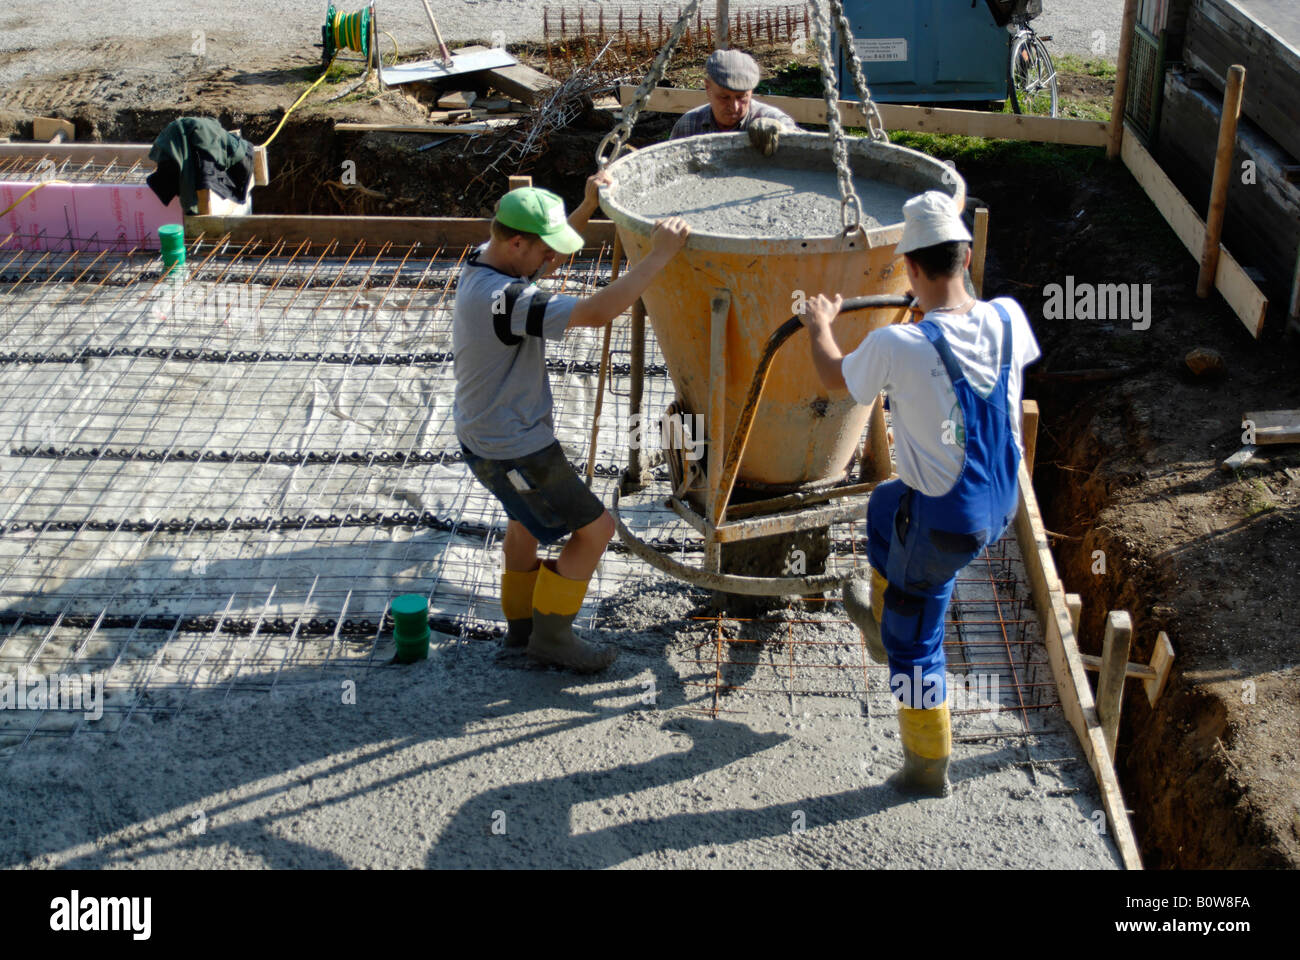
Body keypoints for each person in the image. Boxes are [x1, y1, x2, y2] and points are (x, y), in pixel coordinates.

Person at [797, 191, 1041, 796]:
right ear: (965, 255)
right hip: (999, 503)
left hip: (946, 525)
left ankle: (926, 767)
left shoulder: (897, 345)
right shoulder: (1008, 316)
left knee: (918, 649)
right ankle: (886, 620)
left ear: (908, 267)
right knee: (884, 504)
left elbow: (834, 378)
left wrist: (820, 326)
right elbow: (979, 362)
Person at [453, 175, 690, 673]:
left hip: (483, 436)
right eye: (545, 251)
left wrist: (583, 208)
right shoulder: (507, 300)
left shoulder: (486, 254)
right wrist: (660, 256)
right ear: (517, 242)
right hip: (515, 445)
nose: (553, 261)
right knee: (595, 532)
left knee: (523, 524)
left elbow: (545, 254)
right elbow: (598, 311)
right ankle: (552, 639)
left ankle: (522, 629)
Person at [670, 49, 798, 155]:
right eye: (724, 97)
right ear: (708, 88)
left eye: (741, 97)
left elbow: (807, 146)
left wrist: (782, 131)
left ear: (751, 92)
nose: (734, 107)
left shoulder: (771, 119)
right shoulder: (689, 126)